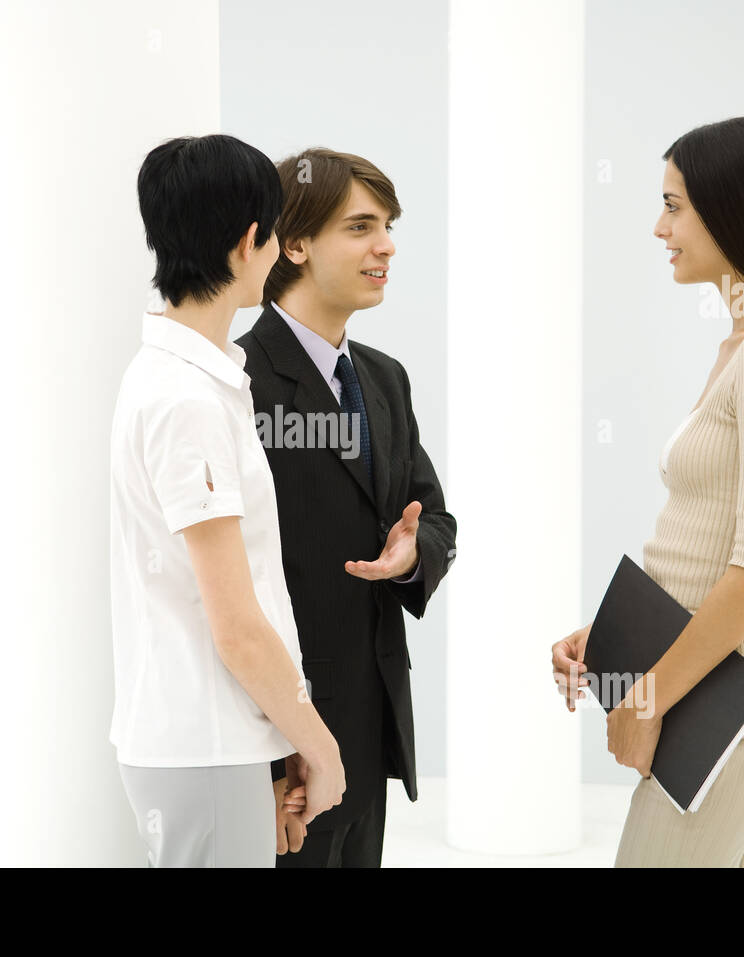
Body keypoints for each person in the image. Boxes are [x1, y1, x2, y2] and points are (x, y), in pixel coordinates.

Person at [552, 116, 744, 866]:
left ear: (736, 206)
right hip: (713, 697)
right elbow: (705, 543)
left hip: (731, 710)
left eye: (674, 204)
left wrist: (647, 696)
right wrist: (612, 642)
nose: (659, 227)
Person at [109, 134, 346, 867]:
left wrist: (273, 754)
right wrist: (320, 746)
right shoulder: (186, 399)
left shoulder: (182, 380)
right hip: (202, 746)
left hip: (212, 746)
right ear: (252, 240)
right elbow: (237, 627)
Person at [234, 148, 457, 867]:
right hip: (285, 748)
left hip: (369, 735)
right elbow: (225, 592)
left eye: (387, 225)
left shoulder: (384, 379)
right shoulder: (238, 383)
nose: (386, 245)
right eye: (361, 226)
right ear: (293, 243)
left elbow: (437, 518)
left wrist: (410, 556)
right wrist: (269, 765)